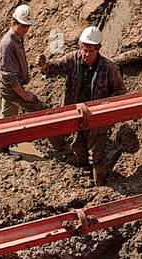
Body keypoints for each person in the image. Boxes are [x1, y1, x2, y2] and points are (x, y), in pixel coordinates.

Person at [40, 26, 126, 185]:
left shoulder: (109, 68)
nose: (85, 54)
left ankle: (100, 183)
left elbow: (120, 91)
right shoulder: (73, 59)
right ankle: (83, 176)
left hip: (97, 118)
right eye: (83, 49)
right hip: (76, 114)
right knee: (78, 147)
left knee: (96, 153)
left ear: (98, 49)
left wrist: (105, 105)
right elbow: (56, 67)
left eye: (90, 51)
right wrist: (45, 66)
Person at [0, 4, 42, 160]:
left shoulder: (17, 39)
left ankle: (1, 147)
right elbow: (9, 77)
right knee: (39, 110)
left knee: (8, 117)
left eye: (27, 27)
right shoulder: (7, 44)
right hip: (10, 87)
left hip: (9, 85)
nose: (26, 30)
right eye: (23, 26)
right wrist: (24, 95)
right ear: (14, 22)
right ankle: (62, 147)